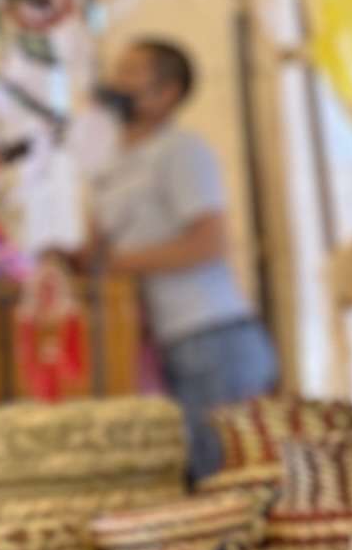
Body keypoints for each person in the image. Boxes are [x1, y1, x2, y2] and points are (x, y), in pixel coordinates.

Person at [84, 36, 275, 479]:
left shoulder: (182, 151)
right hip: (166, 338)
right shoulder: (113, 160)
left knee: (221, 475)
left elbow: (208, 244)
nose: (116, 81)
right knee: (189, 470)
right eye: (117, 69)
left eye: (131, 72)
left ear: (167, 92)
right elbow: (102, 245)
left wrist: (115, 264)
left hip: (211, 336)